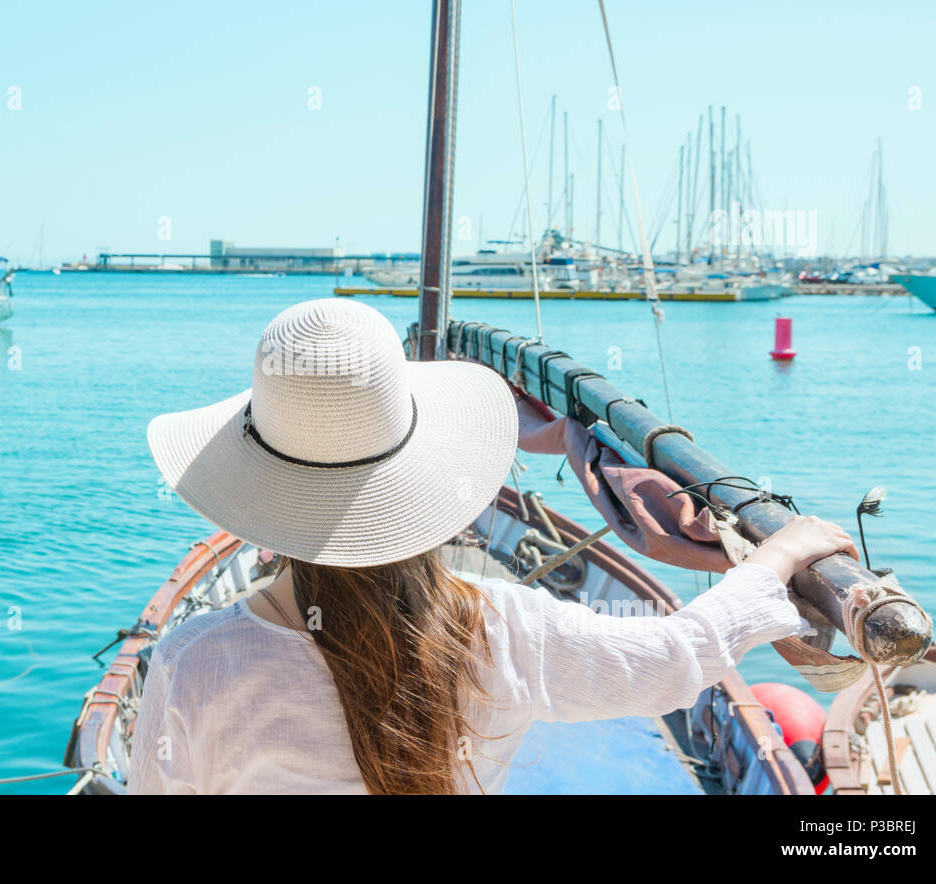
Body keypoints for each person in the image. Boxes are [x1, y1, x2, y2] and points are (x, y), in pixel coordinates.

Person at [130, 298, 857, 794]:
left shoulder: (195, 661)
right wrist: (775, 559)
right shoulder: (503, 629)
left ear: (264, 492)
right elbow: (674, 660)